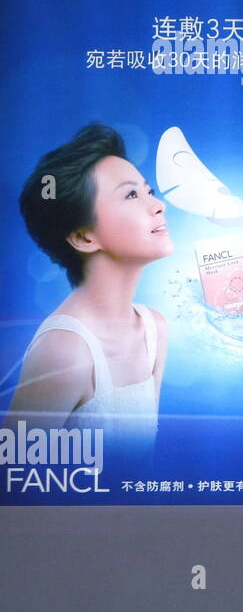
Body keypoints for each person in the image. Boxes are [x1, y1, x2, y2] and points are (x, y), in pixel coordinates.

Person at [5, 124, 172, 461]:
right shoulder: (65, 349)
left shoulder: (154, 328)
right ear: (83, 237)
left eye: (148, 190)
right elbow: (13, 477)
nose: (158, 206)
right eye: (131, 195)